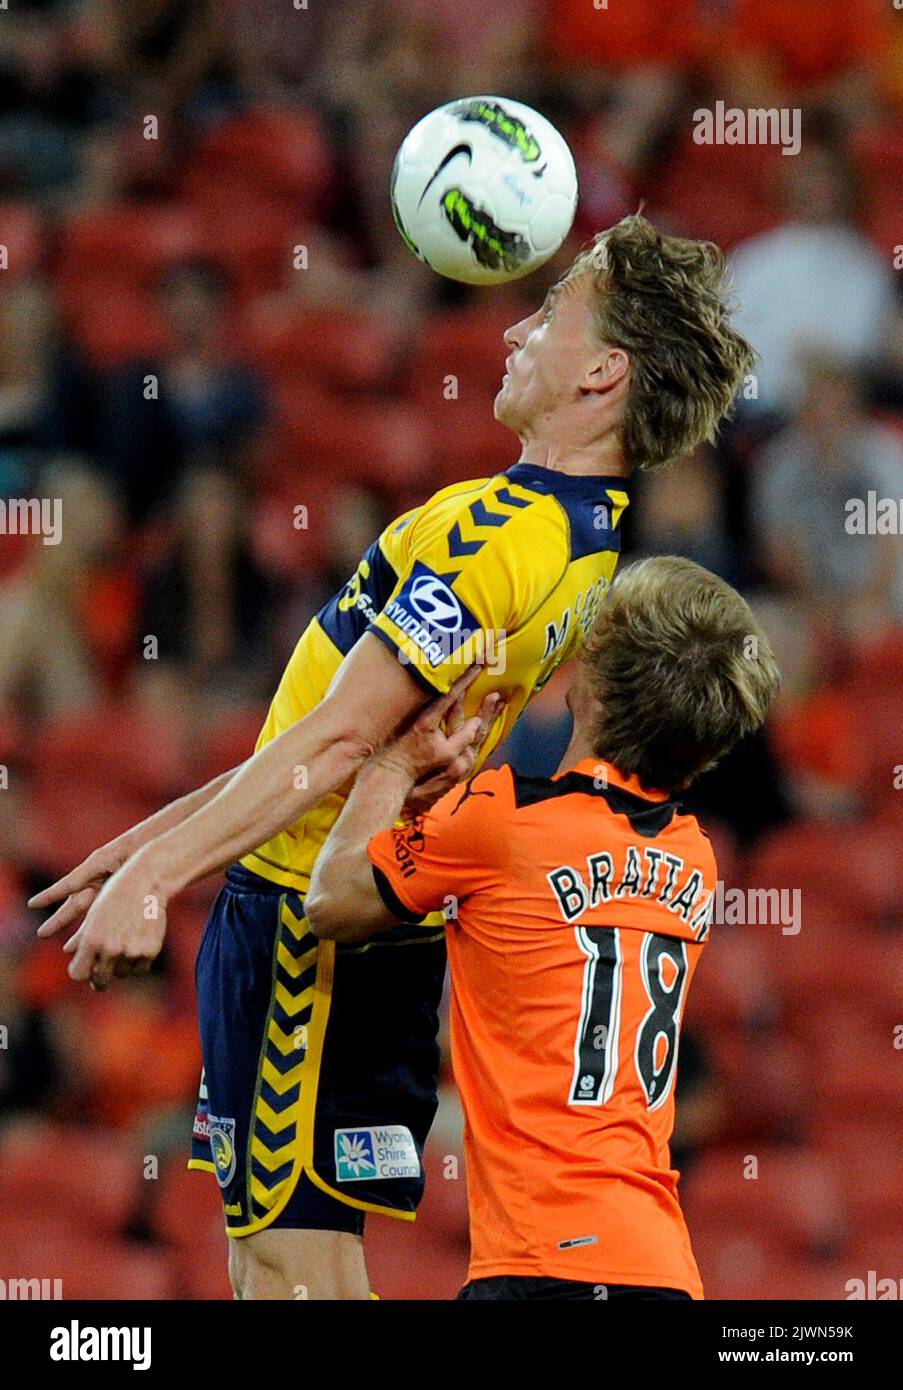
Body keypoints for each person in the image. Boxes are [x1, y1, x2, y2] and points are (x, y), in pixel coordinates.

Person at [30, 214, 754, 1300]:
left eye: (551, 311)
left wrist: (155, 877)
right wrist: (143, 843)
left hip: (306, 923)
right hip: (340, 898)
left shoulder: (498, 540)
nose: (514, 327)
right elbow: (320, 729)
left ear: (604, 372)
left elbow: (337, 739)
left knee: (291, 1266)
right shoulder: (570, 534)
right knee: (276, 1262)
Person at [306, 556, 780, 1299]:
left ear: (586, 687)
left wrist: (392, 768)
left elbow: (330, 898)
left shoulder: (503, 815)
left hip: (541, 1265)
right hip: (660, 1269)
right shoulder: (694, 859)